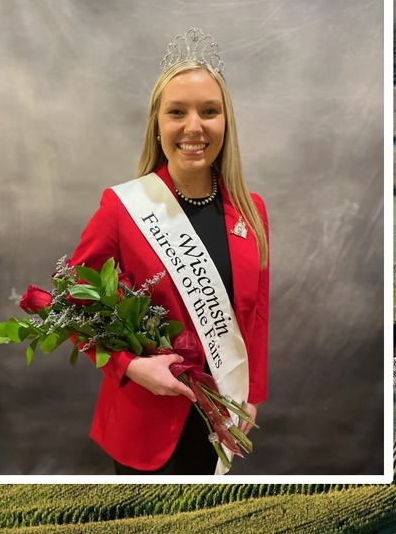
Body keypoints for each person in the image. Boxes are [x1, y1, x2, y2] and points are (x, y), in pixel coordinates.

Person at [70, 29, 270, 475]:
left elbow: (256, 316)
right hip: (145, 425)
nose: (193, 127)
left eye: (209, 112)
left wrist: (251, 395)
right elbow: (73, 299)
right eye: (177, 112)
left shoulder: (251, 211)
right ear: (157, 125)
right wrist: (131, 366)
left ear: (226, 123)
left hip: (223, 418)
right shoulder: (122, 208)